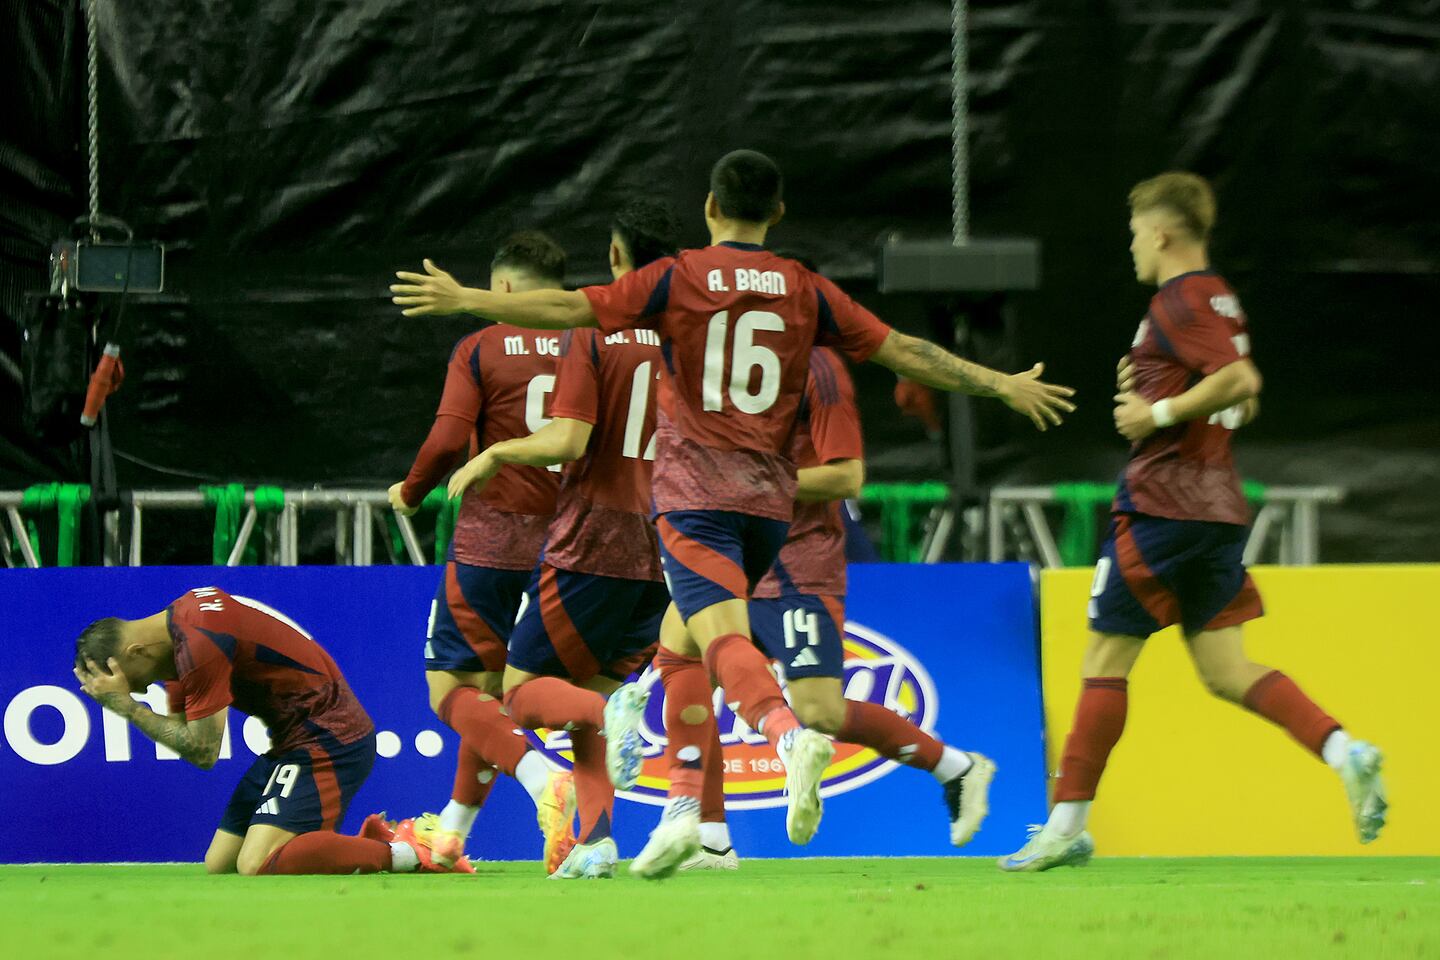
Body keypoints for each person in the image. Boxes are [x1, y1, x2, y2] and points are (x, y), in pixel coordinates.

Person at [391, 149, 1075, 868]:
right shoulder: (804, 289)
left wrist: (470, 300)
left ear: (712, 208)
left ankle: (783, 737)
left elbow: (568, 308)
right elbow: (902, 349)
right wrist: (998, 383)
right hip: (768, 512)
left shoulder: (680, 278)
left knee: (698, 648)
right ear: (778, 214)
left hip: (691, 505)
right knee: (679, 646)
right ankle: (693, 824)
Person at [998, 172, 1387, 872]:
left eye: (1135, 233)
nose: (1131, 247)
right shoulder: (1219, 300)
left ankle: (1065, 825)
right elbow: (1237, 404)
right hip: (1216, 510)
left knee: (1104, 660)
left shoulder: (1178, 298)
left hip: (1161, 506)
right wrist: (1156, 388)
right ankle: (1343, 751)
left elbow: (1241, 383)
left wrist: (1155, 414)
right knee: (1226, 671)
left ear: (1162, 232)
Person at [672, 347, 996, 875]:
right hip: (732, 553)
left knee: (821, 710)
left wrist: (749, 487)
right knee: (684, 654)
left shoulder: (819, 369)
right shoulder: (719, 356)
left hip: (797, 563)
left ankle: (954, 766)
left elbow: (845, 479)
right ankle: (709, 837)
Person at [440, 198, 683, 879]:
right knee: (585, 699)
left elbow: (569, 438)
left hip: (592, 539)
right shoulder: (690, 336)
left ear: (614, 258)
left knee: (520, 691)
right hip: (664, 543)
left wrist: (496, 453)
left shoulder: (595, 324)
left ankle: (617, 712)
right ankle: (599, 841)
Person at [387, 231, 576, 873]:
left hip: (492, 539)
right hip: (571, 546)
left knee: (450, 689)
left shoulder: (481, 346)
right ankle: (451, 837)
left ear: (500, 288)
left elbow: (446, 440)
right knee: (495, 697)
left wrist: (411, 492)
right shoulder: (589, 342)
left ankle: (540, 778)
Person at [72, 586, 470, 875]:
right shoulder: (179, 629)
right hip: (290, 741)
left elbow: (203, 750)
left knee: (256, 862)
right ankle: (366, 842)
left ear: (135, 652)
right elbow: (182, 731)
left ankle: (410, 851)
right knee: (220, 864)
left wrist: (126, 707)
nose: (140, 690)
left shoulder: (198, 641)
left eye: (133, 681)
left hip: (330, 736)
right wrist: (133, 706)